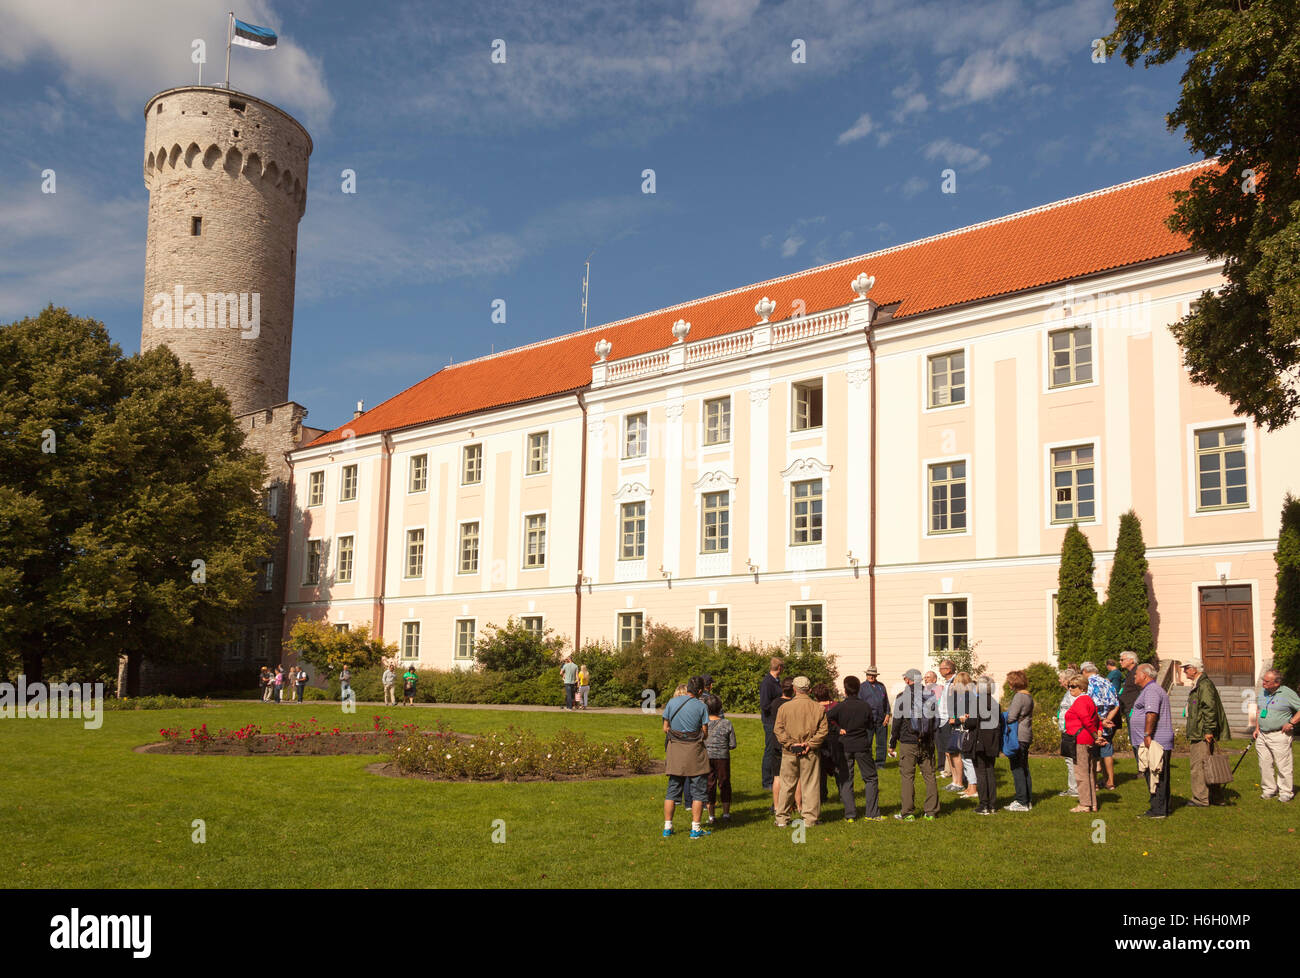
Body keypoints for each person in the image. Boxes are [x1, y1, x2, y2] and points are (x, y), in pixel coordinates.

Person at [774, 676, 828, 827]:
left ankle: (782, 819)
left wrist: (791, 744)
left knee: (787, 784)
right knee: (810, 784)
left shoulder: (784, 708)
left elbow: (778, 730)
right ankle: (810, 819)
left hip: (789, 752)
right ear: (809, 690)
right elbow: (823, 731)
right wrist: (810, 744)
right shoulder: (818, 708)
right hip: (809, 752)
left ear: (794, 689)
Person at [661, 677, 712, 839]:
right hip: (694, 753)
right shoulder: (701, 706)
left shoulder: (672, 702)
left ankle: (667, 827)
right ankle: (695, 828)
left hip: (675, 751)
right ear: (699, 691)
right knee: (698, 791)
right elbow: (705, 732)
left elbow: (665, 728)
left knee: (672, 790)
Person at [829, 675, 881, 821]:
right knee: (870, 778)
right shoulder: (865, 706)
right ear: (859, 689)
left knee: (846, 779)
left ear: (845, 690)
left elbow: (826, 718)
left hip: (845, 745)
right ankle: (872, 813)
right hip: (861, 745)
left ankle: (850, 815)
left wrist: (838, 729)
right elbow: (871, 725)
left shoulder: (840, 706)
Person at [890, 669, 939, 820]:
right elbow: (936, 720)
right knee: (930, 776)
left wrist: (892, 743)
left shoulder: (901, 697)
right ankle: (931, 812)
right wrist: (929, 736)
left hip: (907, 741)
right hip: (926, 741)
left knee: (907, 777)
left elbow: (896, 723)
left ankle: (908, 813)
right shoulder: (930, 695)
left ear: (907, 680)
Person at [1183, 659, 1231, 807]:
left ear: (1194, 669)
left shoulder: (1203, 684)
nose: (1184, 671)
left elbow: (1209, 708)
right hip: (1202, 731)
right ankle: (1216, 797)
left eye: (1186, 668)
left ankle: (1200, 799)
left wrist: (1208, 730)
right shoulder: (1201, 684)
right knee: (1209, 765)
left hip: (1201, 732)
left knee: (1199, 766)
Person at [1251, 669, 1300, 802]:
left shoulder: (1287, 693)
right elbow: (1259, 709)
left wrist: (1291, 722)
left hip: (1280, 734)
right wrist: (1257, 728)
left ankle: (1285, 792)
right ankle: (1269, 789)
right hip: (1262, 734)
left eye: (1267, 681)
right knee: (1264, 764)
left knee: (1283, 764)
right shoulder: (1263, 692)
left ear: (1277, 683)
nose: (1263, 683)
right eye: (1263, 680)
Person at [1132, 663, 1174, 819]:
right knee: (1156, 774)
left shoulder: (1152, 691)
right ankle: (1162, 806)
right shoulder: (1150, 690)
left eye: (1137, 673)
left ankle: (1158, 810)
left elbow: (1151, 713)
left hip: (1155, 740)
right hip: (1153, 739)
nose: (1135, 676)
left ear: (1144, 675)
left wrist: (1147, 734)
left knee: (1156, 774)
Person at [961, 675, 1002, 815]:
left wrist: (964, 720)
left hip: (979, 741)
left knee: (981, 773)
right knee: (990, 771)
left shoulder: (977, 702)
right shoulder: (995, 703)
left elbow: (971, 722)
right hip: (992, 741)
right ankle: (992, 804)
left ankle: (984, 804)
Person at [1064, 676, 1101, 813]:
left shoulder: (1080, 701)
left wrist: (1096, 736)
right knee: (1089, 772)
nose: (1070, 688)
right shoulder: (1089, 700)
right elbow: (1097, 720)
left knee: (1081, 773)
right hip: (1088, 740)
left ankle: (1085, 804)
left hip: (1080, 740)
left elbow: (1087, 720)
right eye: (1069, 685)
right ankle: (1093, 803)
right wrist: (1096, 736)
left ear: (1083, 688)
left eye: (1074, 686)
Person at [1082, 661, 1119, 790]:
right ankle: (1110, 782)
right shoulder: (1107, 682)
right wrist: (1107, 720)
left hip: (1093, 724)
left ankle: (1095, 784)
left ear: (1084, 671)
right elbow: (1116, 704)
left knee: (1092, 754)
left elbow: (1090, 706)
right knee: (1107, 753)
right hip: (1107, 724)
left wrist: (1100, 721)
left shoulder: (1087, 684)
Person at [1005, 670, 1035, 811]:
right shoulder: (1028, 696)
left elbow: (1011, 717)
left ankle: (1021, 800)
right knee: (1024, 768)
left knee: (1017, 768)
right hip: (1026, 734)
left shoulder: (1019, 697)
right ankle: (1027, 799)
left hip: (1018, 735)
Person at [703, 693, 736, 824]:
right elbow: (732, 744)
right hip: (723, 757)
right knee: (724, 784)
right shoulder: (727, 723)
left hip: (707, 757)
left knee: (709, 785)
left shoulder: (704, 724)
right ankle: (726, 813)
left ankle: (711, 816)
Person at [947, 672, 978, 800]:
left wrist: (956, 720)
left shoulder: (966, 696)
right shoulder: (966, 695)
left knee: (968, 760)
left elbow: (966, 715)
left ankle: (973, 787)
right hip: (962, 727)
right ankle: (969, 787)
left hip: (964, 729)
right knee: (965, 759)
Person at [759, 657, 784, 803]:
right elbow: (764, 704)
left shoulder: (775, 681)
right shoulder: (767, 683)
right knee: (769, 749)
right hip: (770, 721)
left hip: (776, 720)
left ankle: (774, 777)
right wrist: (777, 707)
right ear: (779, 668)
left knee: (774, 749)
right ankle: (767, 780)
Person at [812, 683, 840, 802]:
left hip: (821, 740)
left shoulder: (813, 707)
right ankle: (843, 794)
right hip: (836, 741)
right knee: (838, 768)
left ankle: (822, 796)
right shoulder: (836, 706)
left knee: (821, 771)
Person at [1055, 670, 1080, 798]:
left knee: (1071, 760)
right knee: (1070, 760)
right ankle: (1074, 787)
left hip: (1071, 732)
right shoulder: (1069, 693)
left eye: (1061, 679)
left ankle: (1074, 789)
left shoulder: (1073, 694)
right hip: (1068, 730)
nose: (1060, 681)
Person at [1116, 651, 1141, 766]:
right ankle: (1141, 766)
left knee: (1137, 740)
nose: (1120, 662)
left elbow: (1142, 691)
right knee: (1134, 740)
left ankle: (1143, 767)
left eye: (1122, 659)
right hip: (1128, 709)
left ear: (1131, 660)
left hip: (1134, 711)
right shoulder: (1130, 674)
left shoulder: (1137, 673)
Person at [862, 667, 891, 766]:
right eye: (869, 674)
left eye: (873, 675)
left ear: (876, 675)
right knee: (867, 743)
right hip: (868, 720)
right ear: (866, 675)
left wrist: (887, 714)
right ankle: (868, 763)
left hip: (881, 719)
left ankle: (880, 764)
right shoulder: (862, 687)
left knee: (881, 743)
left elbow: (886, 702)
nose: (871, 676)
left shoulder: (881, 686)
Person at [935, 658, 956, 779]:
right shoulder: (947, 683)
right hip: (942, 719)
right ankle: (951, 773)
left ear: (948, 670)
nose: (939, 671)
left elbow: (957, 701)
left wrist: (952, 717)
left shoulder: (955, 682)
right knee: (946, 750)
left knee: (951, 750)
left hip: (949, 720)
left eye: (941, 668)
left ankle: (956, 776)